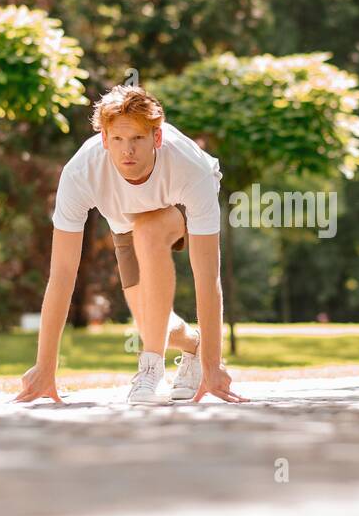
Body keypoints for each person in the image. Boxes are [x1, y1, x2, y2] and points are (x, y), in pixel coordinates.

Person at [15, 84, 247, 405]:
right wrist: (45, 367)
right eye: (118, 140)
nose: (128, 150)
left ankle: (151, 370)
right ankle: (193, 345)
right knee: (150, 317)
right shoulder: (80, 173)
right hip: (125, 223)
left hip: (175, 207)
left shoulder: (190, 169)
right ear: (104, 140)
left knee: (149, 231)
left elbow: (207, 276)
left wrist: (214, 366)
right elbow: (63, 273)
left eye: (138, 138)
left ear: (157, 138)